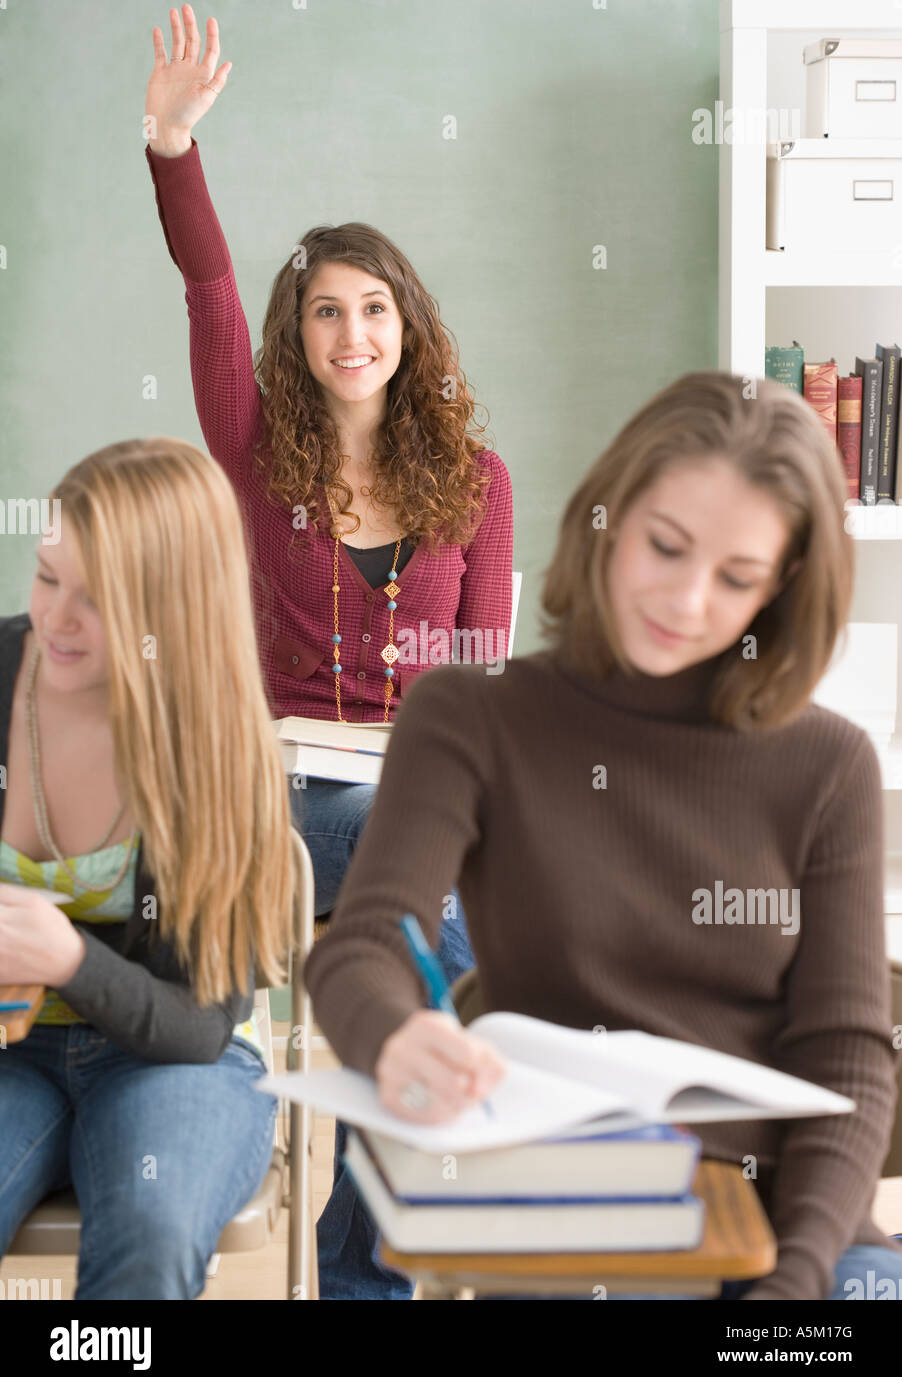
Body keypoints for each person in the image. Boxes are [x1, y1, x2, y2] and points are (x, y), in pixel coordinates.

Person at [306, 371, 902, 1300]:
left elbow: (848, 1054)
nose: (688, 600)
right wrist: (395, 1038)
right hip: (575, 1210)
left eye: (737, 577)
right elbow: (366, 943)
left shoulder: (829, 766)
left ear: (782, 587)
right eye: (665, 546)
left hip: (795, 1233)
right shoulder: (471, 719)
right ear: (611, 516)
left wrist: (790, 1287)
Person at [142, 5, 512, 1297]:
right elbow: (207, 289)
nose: (349, 333)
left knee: (403, 926)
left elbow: (481, 683)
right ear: (297, 342)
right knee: (418, 911)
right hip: (288, 797)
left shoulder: (476, 481)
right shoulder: (255, 453)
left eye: (371, 309)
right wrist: (171, 146)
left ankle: (364, 1273)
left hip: (423, 804)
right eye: (322, 315)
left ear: (405, 324)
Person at [0, 439, 296, 1299]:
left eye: (97, 599)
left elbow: (200, 1025)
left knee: (151, 1234)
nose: (56, 619)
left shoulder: (225, 755)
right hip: (13, 1052)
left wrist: (67, 960)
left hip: (176, 1058)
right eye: (49, 576)